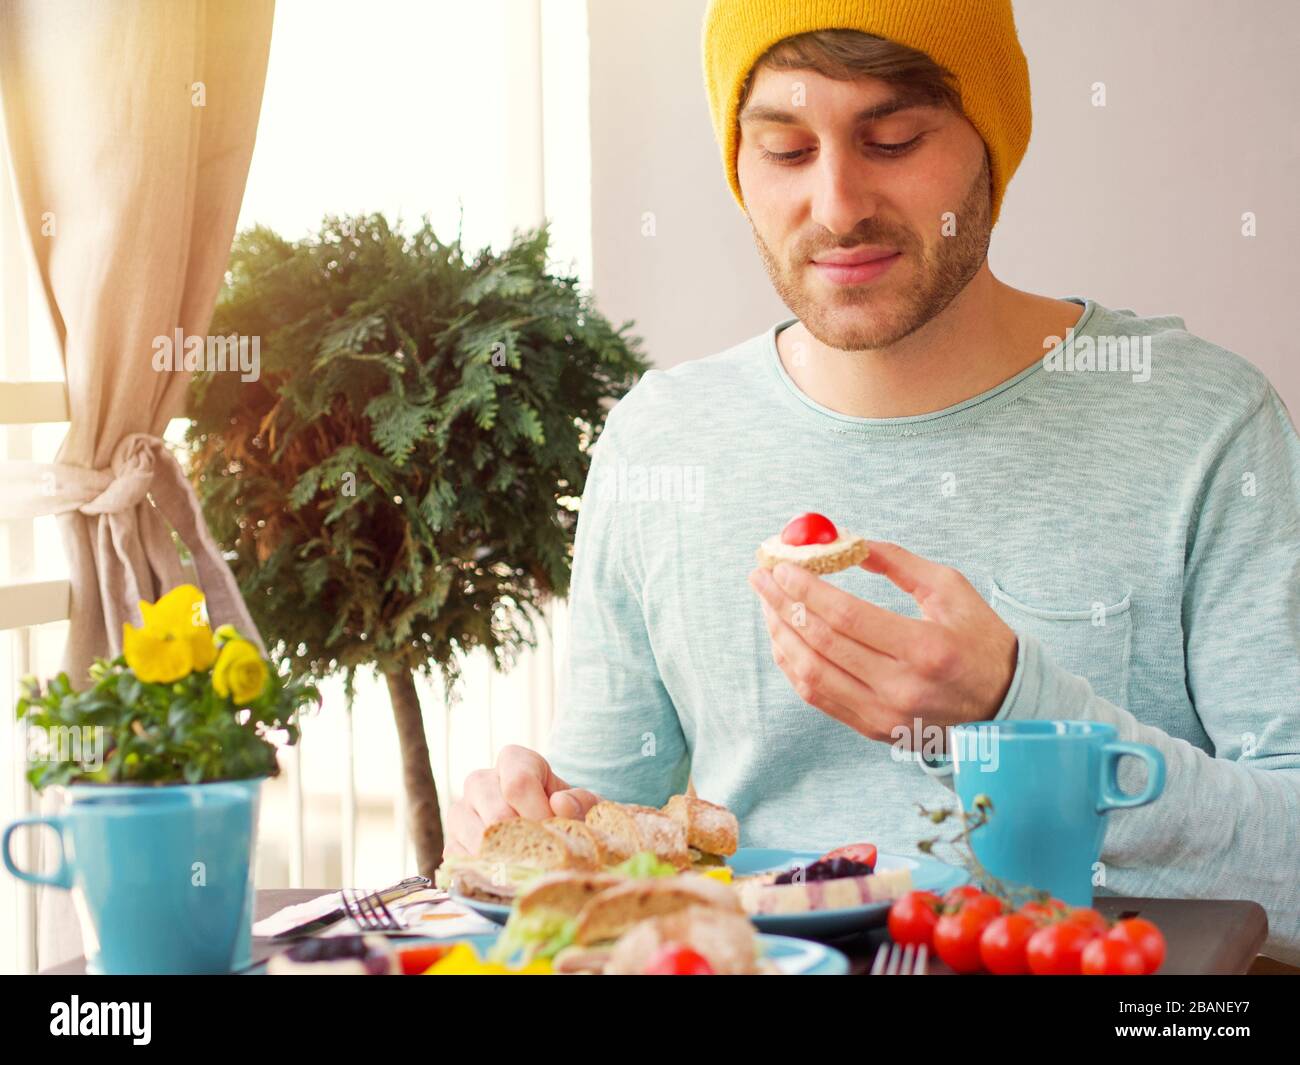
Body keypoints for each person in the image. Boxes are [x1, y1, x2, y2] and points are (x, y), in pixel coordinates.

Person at [446, 0, 1300, 963]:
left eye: (892, 138)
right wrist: (525, 822)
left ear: (992, 142)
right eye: (783, 148)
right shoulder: (661, 442)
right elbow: (602, 850)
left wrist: (1014, 713)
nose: (839, 203)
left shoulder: (1202, 423)